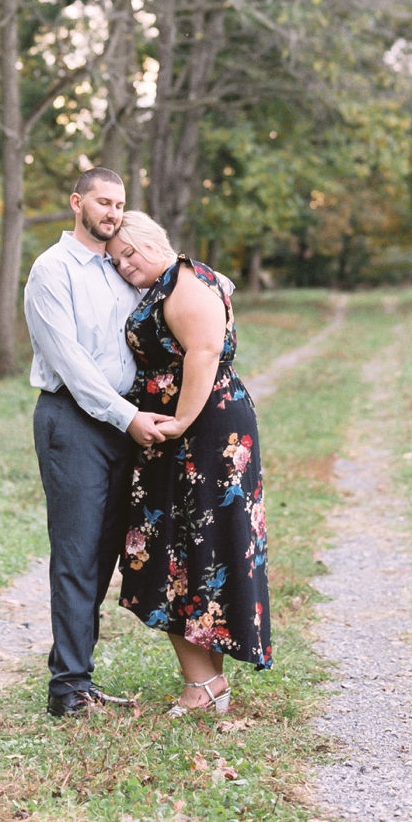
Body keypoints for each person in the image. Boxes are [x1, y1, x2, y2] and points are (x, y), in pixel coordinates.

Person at [107, 211, 272, 715]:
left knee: (196, 554)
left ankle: (202, 686)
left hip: (201, 434)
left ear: (155, 241)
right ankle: (205, 683)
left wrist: (179, 422)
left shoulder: (183, 285)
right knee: (179, 556)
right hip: (182, 435)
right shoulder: (179, 279)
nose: (125, 266)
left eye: (131, 253)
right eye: (116, 261)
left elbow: (203, 352)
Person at [23, 169, 173, 718]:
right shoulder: (51, 270)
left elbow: (170, 289)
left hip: (124, 422)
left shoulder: (119, 269)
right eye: (103, 202)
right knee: (78, 556)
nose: (112, 212)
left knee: (107, 555)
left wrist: (212, 283)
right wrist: (129, 417)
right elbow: (74, 366)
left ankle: (78, 681)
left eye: (120, 204)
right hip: (74, 420)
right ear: (76, 203)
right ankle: (67, 689)